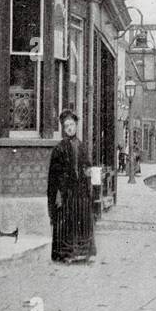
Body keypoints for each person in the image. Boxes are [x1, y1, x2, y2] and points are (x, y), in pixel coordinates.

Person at [48, 108, 96, 263]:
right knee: (65, 221)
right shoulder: (59, 149)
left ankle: (82, 252)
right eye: (66, 125)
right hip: (65, 192)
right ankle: (65, 253)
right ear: (63, 128)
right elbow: (53, 176)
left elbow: (87, 166)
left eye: (72, 124)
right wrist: (56, 194)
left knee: (81, 220)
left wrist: (88, 173)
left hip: (80, 192)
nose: (69, 128)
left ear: (76, 126)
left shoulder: (82, 146)